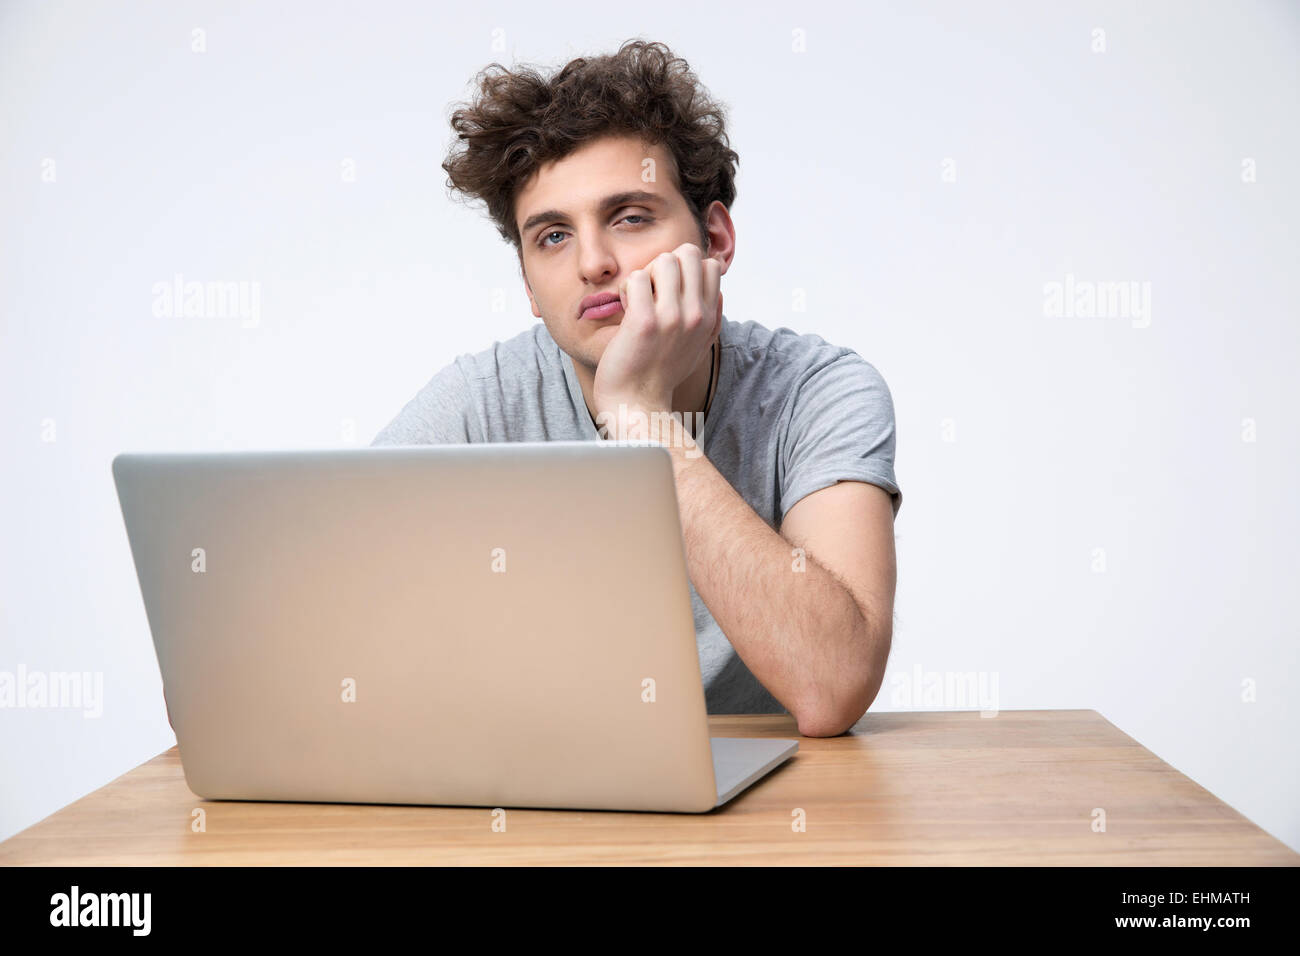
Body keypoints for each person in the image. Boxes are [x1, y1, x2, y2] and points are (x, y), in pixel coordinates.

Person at [372, 40, 901, 737]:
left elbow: (832, 686)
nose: (593, 263)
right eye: (553, 237)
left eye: (629, 217)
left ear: (714, 240)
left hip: (767, 819)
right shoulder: (479, 404)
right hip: (547, 805)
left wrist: (638, 417)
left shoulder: (818, 391)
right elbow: (292, 647)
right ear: (530, 287)